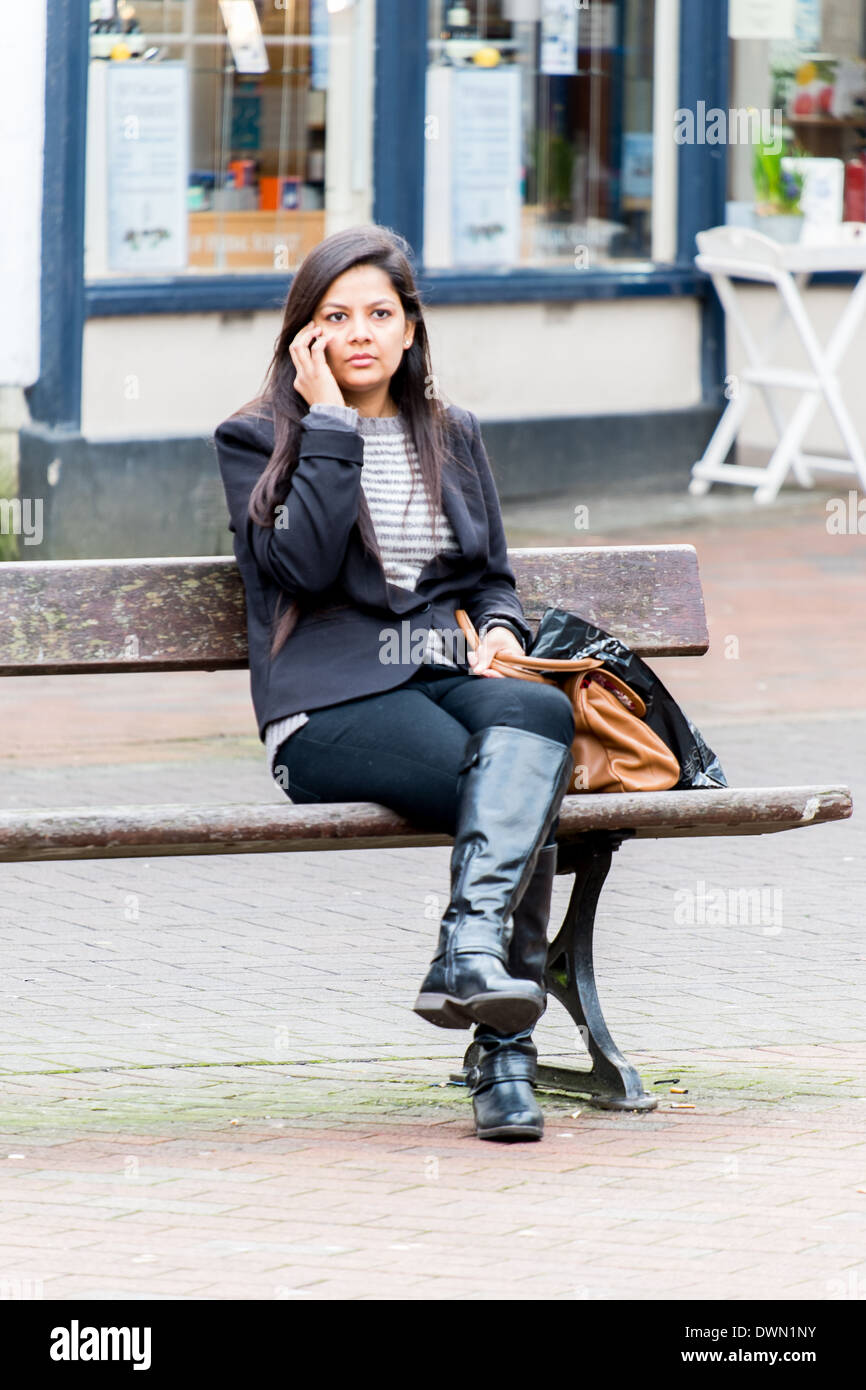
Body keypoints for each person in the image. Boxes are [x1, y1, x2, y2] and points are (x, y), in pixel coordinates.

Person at [214, 225, 575, 1143]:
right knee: (507, 780)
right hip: (324, 704)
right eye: (337, 317)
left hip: (440, 674)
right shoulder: (257, 437)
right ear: (305, 337)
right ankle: (505, 1057)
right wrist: (330, 420)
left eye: (380, 313)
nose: (361, 332)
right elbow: (301, 565)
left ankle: (467, 958)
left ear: (410, 329)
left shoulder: (451, 433)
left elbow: (492, 574)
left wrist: (498, 631)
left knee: (533, 711)